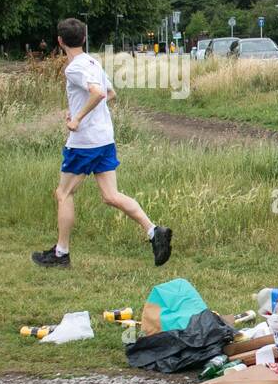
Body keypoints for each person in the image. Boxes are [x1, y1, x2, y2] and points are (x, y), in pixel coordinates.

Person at [31, 17, 172, 268]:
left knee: (63, 193)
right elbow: (110, 93)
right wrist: (74, 110)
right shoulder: (92, 62)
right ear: (84, 39)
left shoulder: (73, 68)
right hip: (104, 138)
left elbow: (97, 93)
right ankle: (154, 232)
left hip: (85, 142)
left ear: (60, 41)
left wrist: (77, 119)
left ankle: (61, 254)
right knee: (110, 195)